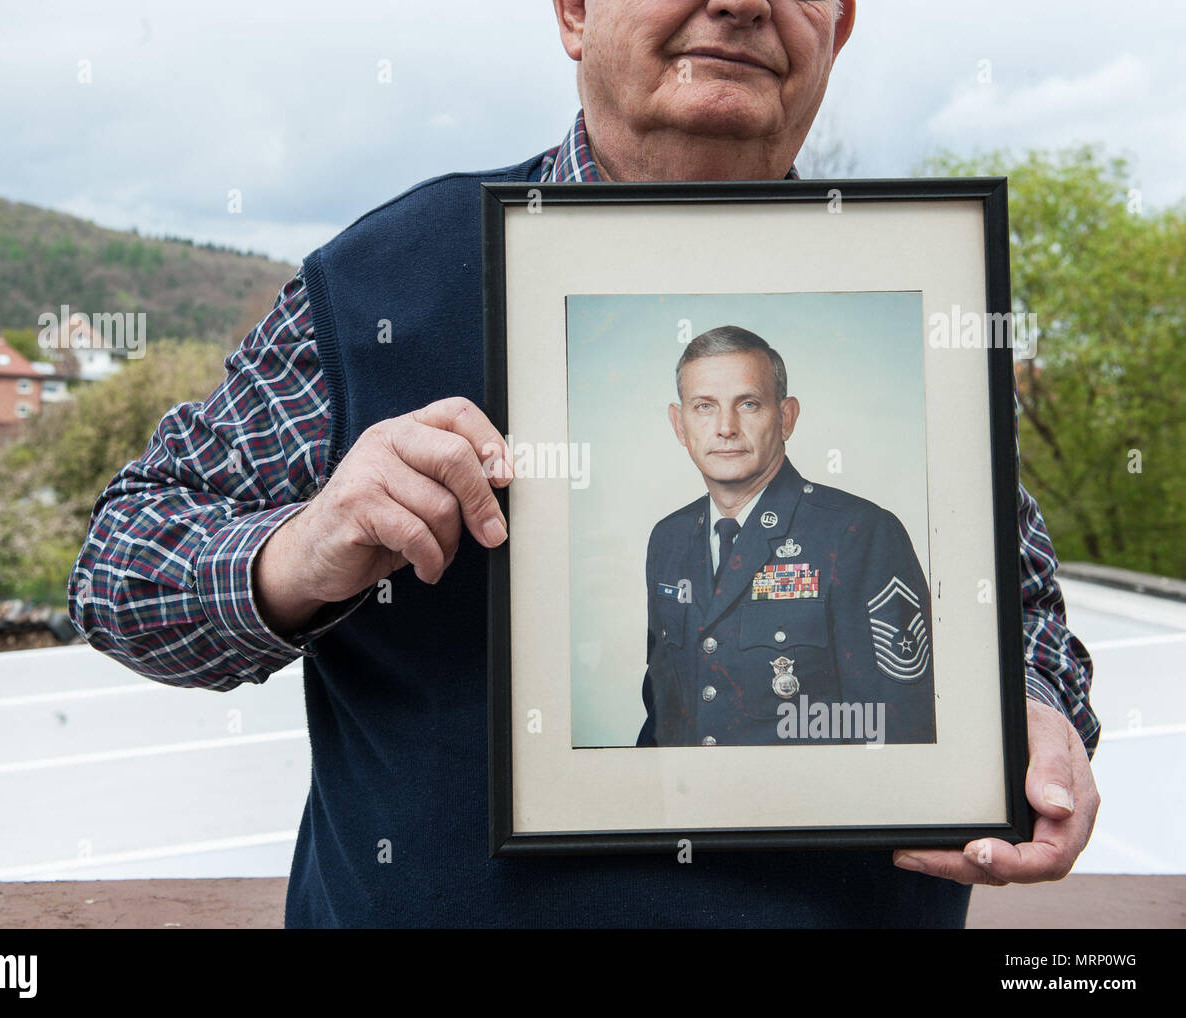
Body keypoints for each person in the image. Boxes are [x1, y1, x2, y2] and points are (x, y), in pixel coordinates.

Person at [68, 0, 1099, 927]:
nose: (738, 5)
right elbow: (116, 571)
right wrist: (300, 549)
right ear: (572, 12)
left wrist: (1039, 713)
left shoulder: (914, 275)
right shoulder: (384, 283)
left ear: (837, 25)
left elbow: (1018, 605)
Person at [637, 325, 936, 748]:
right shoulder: (668, 540)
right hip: (687, 810)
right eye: (704, 406)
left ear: (786, 416)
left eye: (749, 404)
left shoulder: (858, 533)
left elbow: (898, 729)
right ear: (679, 424)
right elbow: (661, 722)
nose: (725, 427)